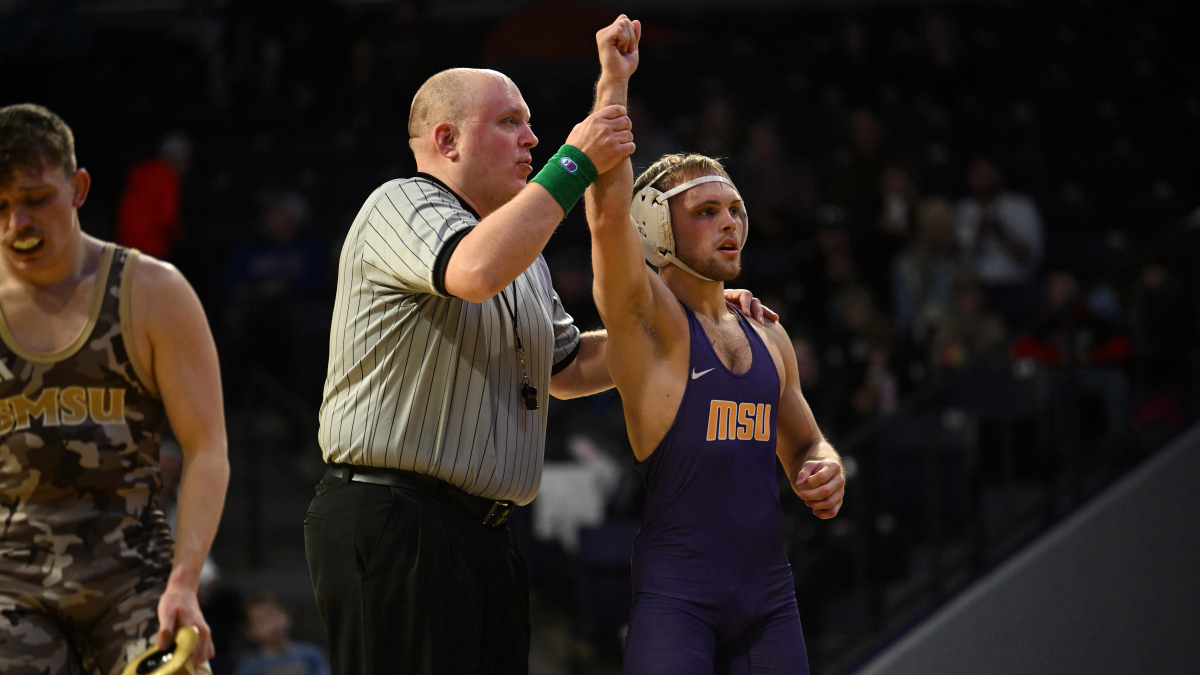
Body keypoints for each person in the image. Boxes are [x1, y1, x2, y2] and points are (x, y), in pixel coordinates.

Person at [302, 15, 771, 675]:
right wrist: (575, 159)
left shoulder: (520, 254)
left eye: (530, 123)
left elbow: (568, 366)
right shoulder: (400, 204)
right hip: (396, 515)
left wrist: (698, 327)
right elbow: (471, 272)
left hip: (484, 532)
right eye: (510, 123)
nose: (532, 138)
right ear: (446, 139)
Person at [583, 26, 846, 675]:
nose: (729, 222)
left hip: (770, 597)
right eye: (706, 211)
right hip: (679, 600)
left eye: (735, 209)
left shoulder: (768, 331)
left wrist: (825, 465)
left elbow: (805, 442)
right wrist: (614, 83)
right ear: (659, 228)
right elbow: (608, 216)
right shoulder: (647, 327)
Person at [0, 104, 228, 672]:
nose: (16, 226)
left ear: (78, 188)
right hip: (9, 589)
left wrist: (184, 583)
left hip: (135, 582)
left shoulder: (153, 291)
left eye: (34, 200)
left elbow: (206, 449)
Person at [234, 593, 330, 675]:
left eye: (273, 615)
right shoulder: (250, 666)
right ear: (250, 631)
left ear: (286, 616)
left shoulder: (310, 654)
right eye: (261, 621)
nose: (271, 623)